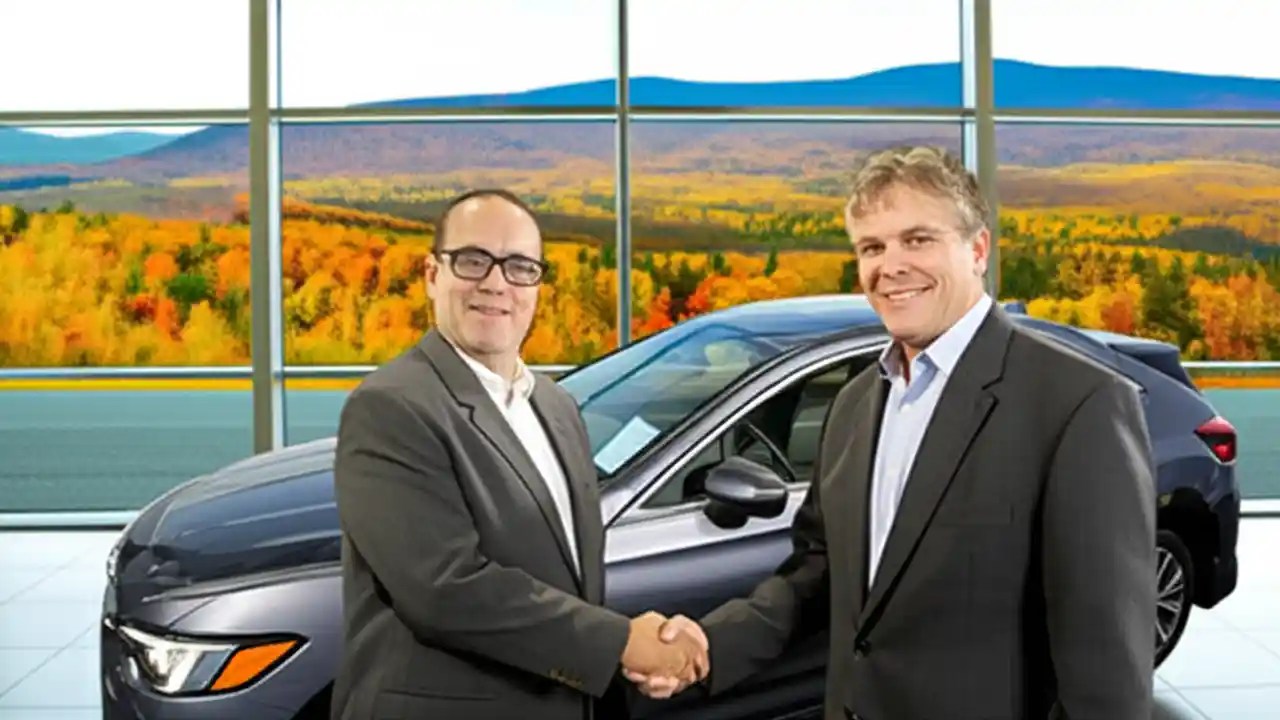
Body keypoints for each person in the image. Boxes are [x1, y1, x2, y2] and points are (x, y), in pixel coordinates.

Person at [628, 146, 1158, 719]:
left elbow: (1106, 676)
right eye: (872, 248)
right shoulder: (856, 403)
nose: (891, 266)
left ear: (977, 249)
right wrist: (710, 645)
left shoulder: (1080, 404)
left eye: (918, 239)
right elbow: (820, 574)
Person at [330, 188, 704, 720]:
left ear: (537, 285)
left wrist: (633, 658)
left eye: (520, 267)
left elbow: (564, 579)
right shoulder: (391, 407)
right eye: (473, 260)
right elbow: (446, 590)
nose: (496, 283)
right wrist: (621, 643)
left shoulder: (556, 406)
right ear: (433, 274)